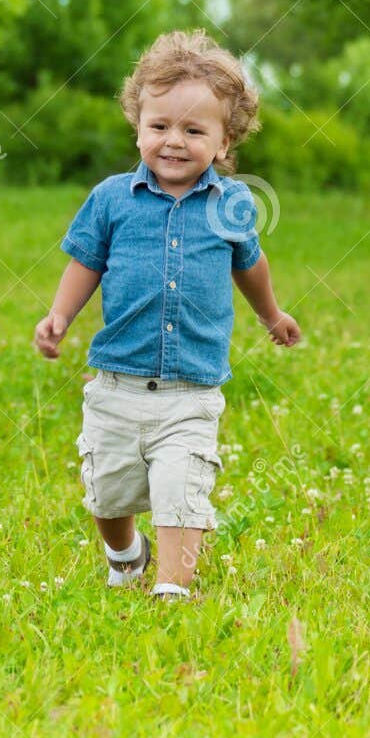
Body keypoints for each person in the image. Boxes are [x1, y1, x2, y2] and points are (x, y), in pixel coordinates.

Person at [34, 30, 301, 601]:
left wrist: (272, 316)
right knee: (107, 494)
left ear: (224, 142)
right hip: (117, 383)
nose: (173, 142)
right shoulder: (111, 198)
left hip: (192, 388)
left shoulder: (230, 203)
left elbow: (250, 266)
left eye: (193, 130)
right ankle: (125, 554)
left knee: (182, 489)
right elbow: (86, 262)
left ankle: (172, 589)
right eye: (159, 127)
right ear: (137, 126)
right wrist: (59, 316)